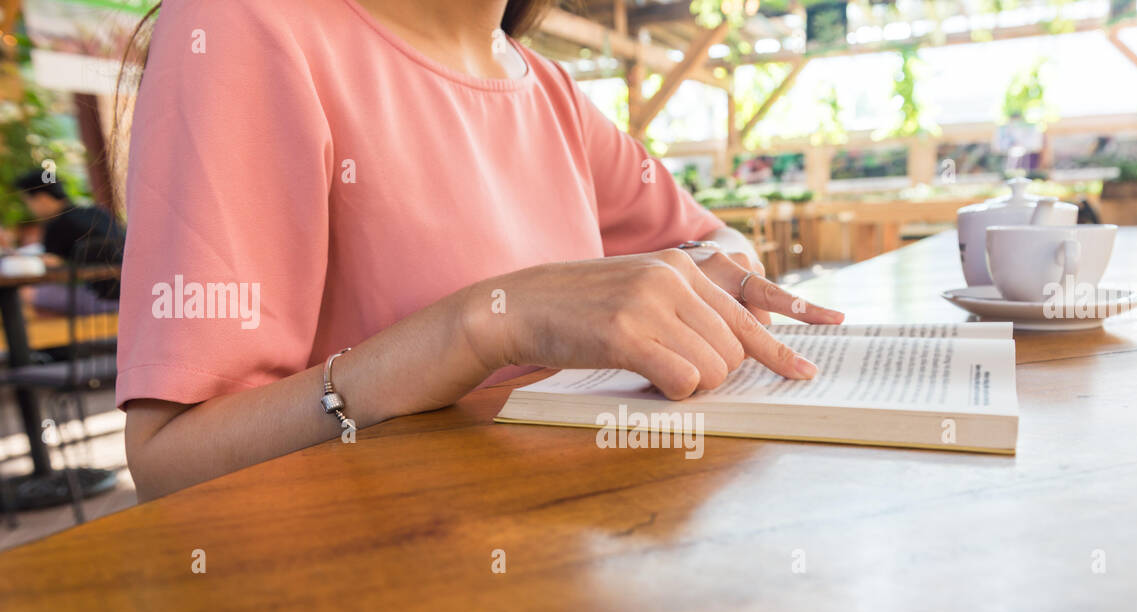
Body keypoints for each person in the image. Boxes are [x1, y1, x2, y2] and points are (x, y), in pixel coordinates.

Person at [117, 0, 843, 501]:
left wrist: (701, 273)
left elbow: (717, 240)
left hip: (563, 567)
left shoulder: (544, 86)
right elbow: (169, 462)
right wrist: (483, 324)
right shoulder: (245, 24)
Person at [13, 169, 125, 312]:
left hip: (103, 299)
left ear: (42, 198)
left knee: (25, 293)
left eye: (28, 202)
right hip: (129, 293)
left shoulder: (58, 225)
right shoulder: (96, 212)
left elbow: (52, 264)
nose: (29, 208)